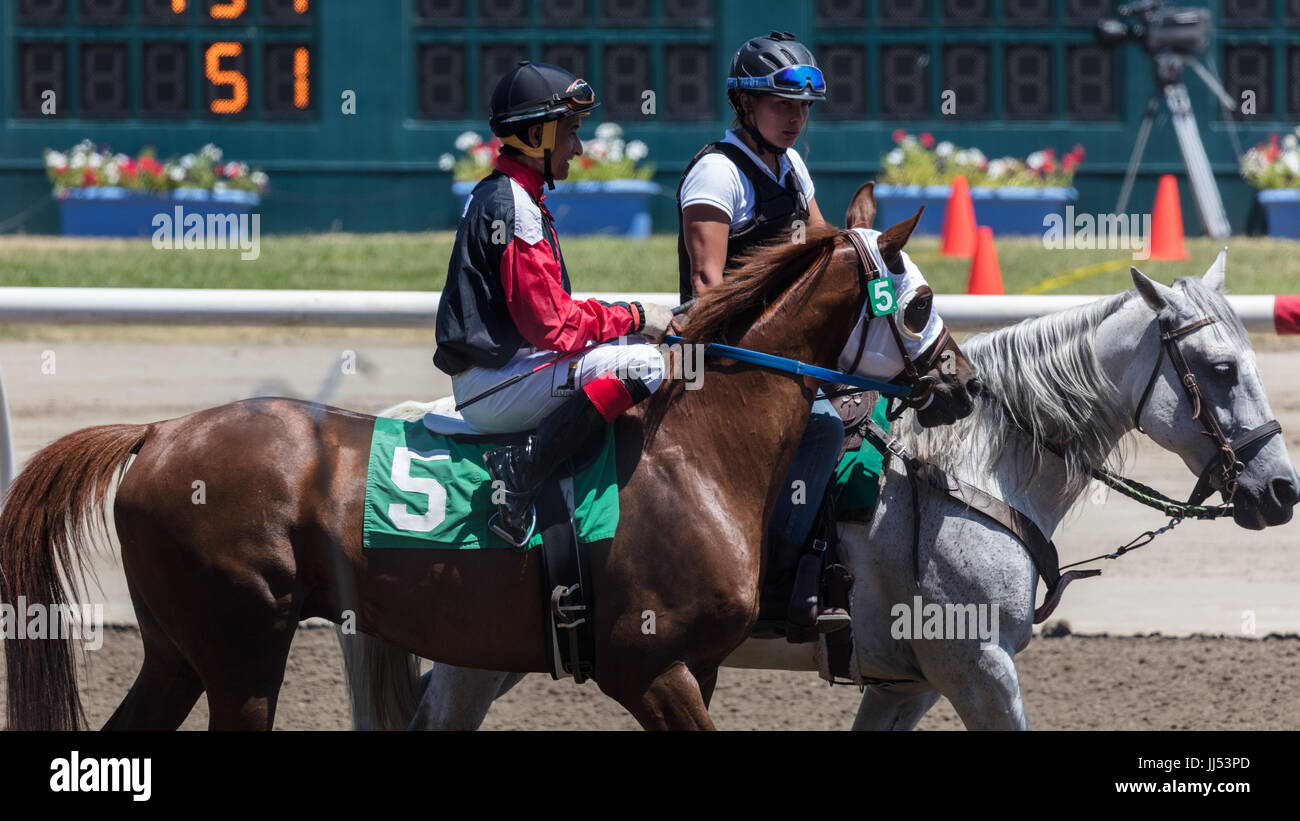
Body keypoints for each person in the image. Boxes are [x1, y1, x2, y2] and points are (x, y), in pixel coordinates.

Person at [434, 61, 677, 546]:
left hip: (504, 372)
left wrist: (625, 318)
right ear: (535, 135)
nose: (579, 147)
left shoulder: (512, 195)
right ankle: (523, 468)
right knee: (646, 363)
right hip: (496, 387)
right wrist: (634, 315)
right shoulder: (513, 207)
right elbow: (554, 328)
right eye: (569, 132)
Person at [676, 32, 848, 637]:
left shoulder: (791, 166)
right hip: (719, 360)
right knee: (824, 425)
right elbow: (707, 288)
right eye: (782, 105)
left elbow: (825, 256)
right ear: (745, 105)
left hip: (781, 357)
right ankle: (769, 578)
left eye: (802, 107)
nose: (796, 118)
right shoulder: (716, 176)